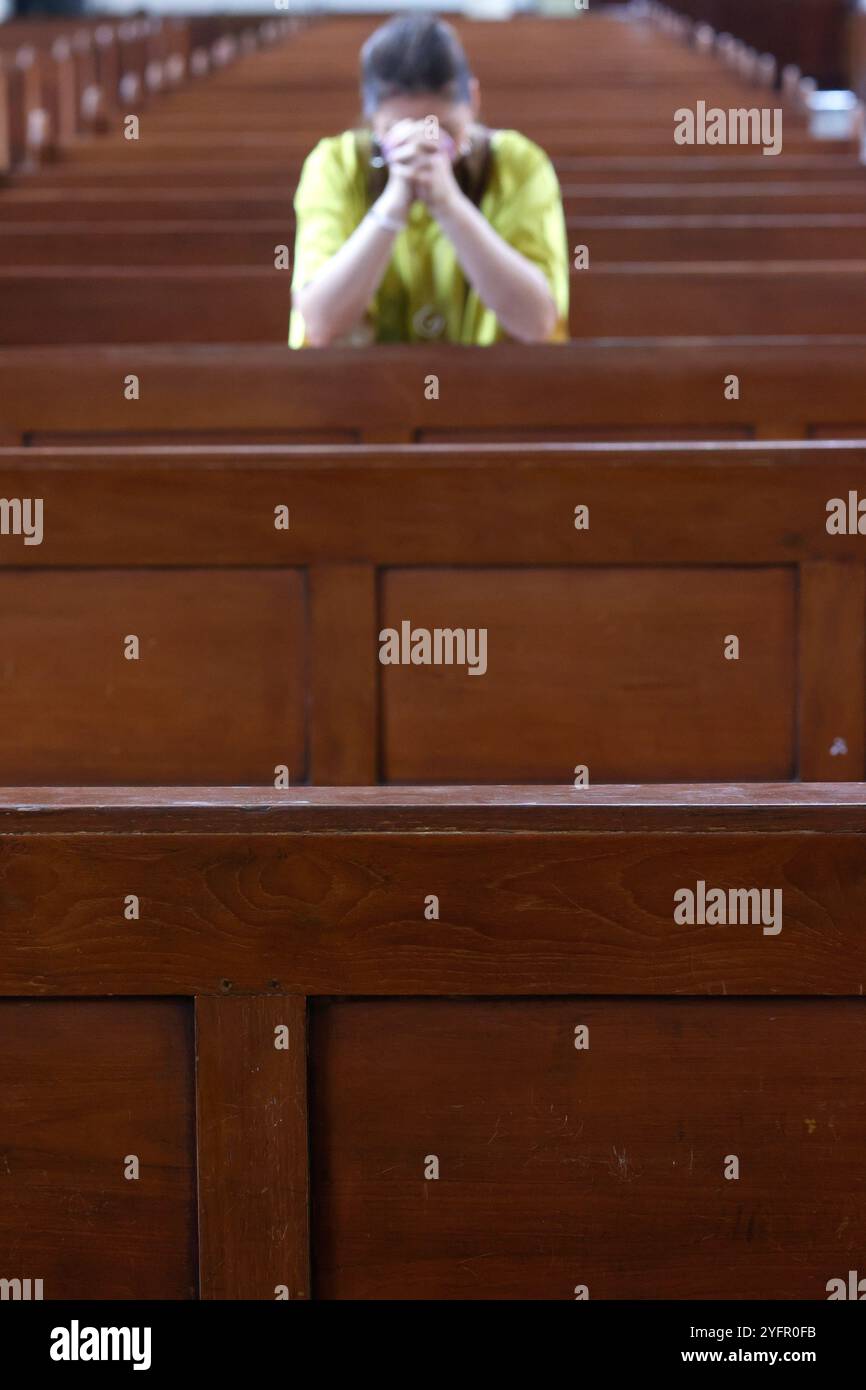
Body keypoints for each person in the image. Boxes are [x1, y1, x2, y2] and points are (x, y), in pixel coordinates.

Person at [289, 12, 569, 347]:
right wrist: (392, 205)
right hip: (357, 391)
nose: (424, 145)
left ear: (474, 101)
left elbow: (537, 324)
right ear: (371, 117)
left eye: (443, 129)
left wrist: (448, 204)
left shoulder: (519, 163)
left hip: (496, 390)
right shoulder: (335, 164)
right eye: (399, 133)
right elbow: (319, 324)